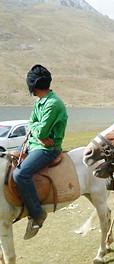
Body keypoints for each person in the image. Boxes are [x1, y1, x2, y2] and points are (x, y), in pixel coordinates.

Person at [13, 64, 68, 240]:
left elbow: (42, 132)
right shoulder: (40, 102)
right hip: (35, 144)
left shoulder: (53, 104)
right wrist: (37, 129)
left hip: (47, 149)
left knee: (20, 175)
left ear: (33, 86)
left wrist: (37, 131)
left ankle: (37, 213)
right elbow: (32, 123)